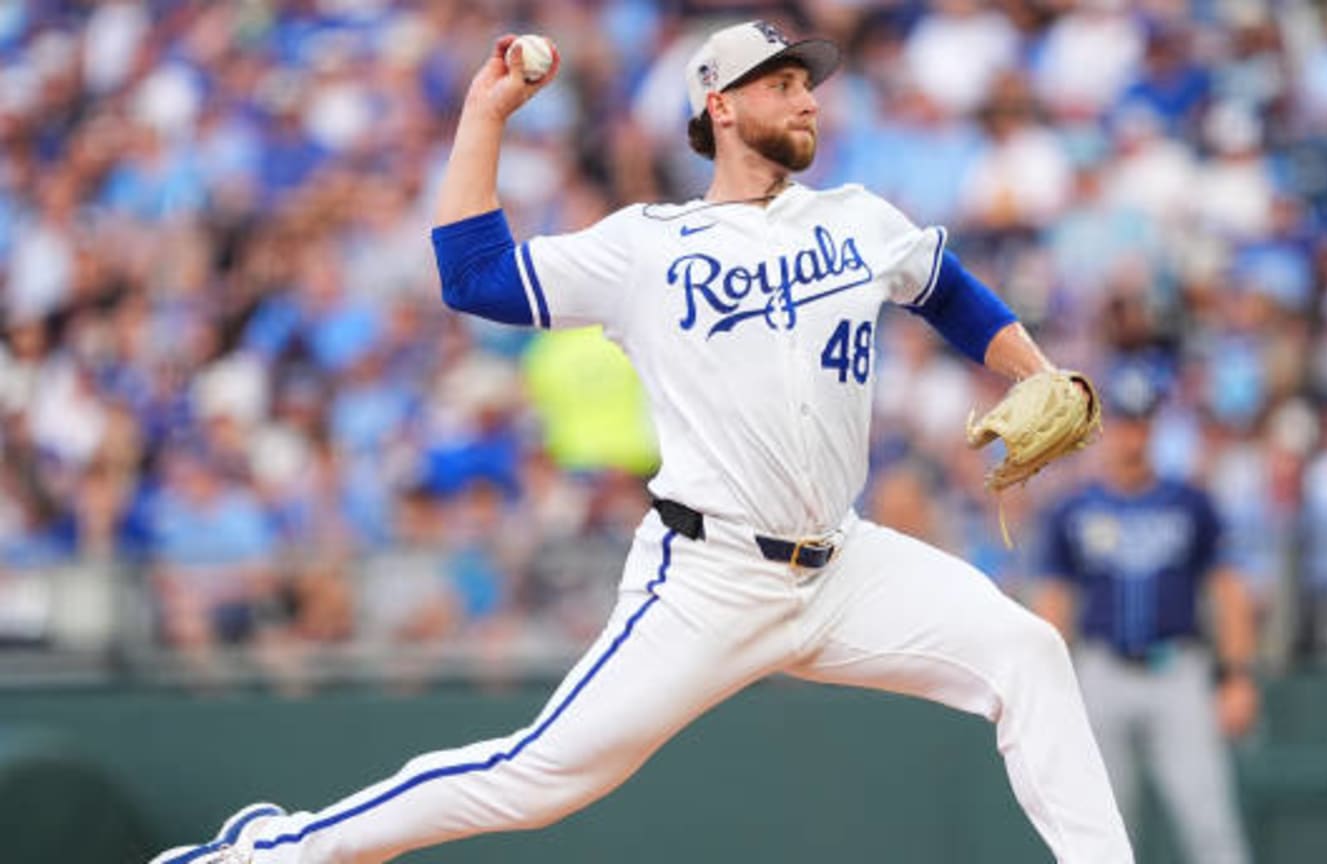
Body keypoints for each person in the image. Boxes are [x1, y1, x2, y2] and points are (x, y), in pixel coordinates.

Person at [151, 20, 1131, 864]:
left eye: (809, 86)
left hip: (845, 563)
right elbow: (473, 275)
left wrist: (1034, 370)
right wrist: (486, 115)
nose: (809, 102)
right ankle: (277, 848)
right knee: (536, 778)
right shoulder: (646, 248)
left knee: (1026, 651)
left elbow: (948, 289)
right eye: (782, 84)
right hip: (709, 577)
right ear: (720, 104)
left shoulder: (857, 219)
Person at [1033, 364, 1257, 864]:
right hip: (1102, 669)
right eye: (1125, 420)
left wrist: (1237, 675)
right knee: (1098, 826)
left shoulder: (1191, 503)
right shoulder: (1075, 508)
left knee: (1208, 820)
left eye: (1143, 421)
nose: (1134, 433)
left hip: (1176, 670)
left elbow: (1229, 590)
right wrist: (1050, 686)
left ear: (1156, 426)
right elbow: (1053, 601)